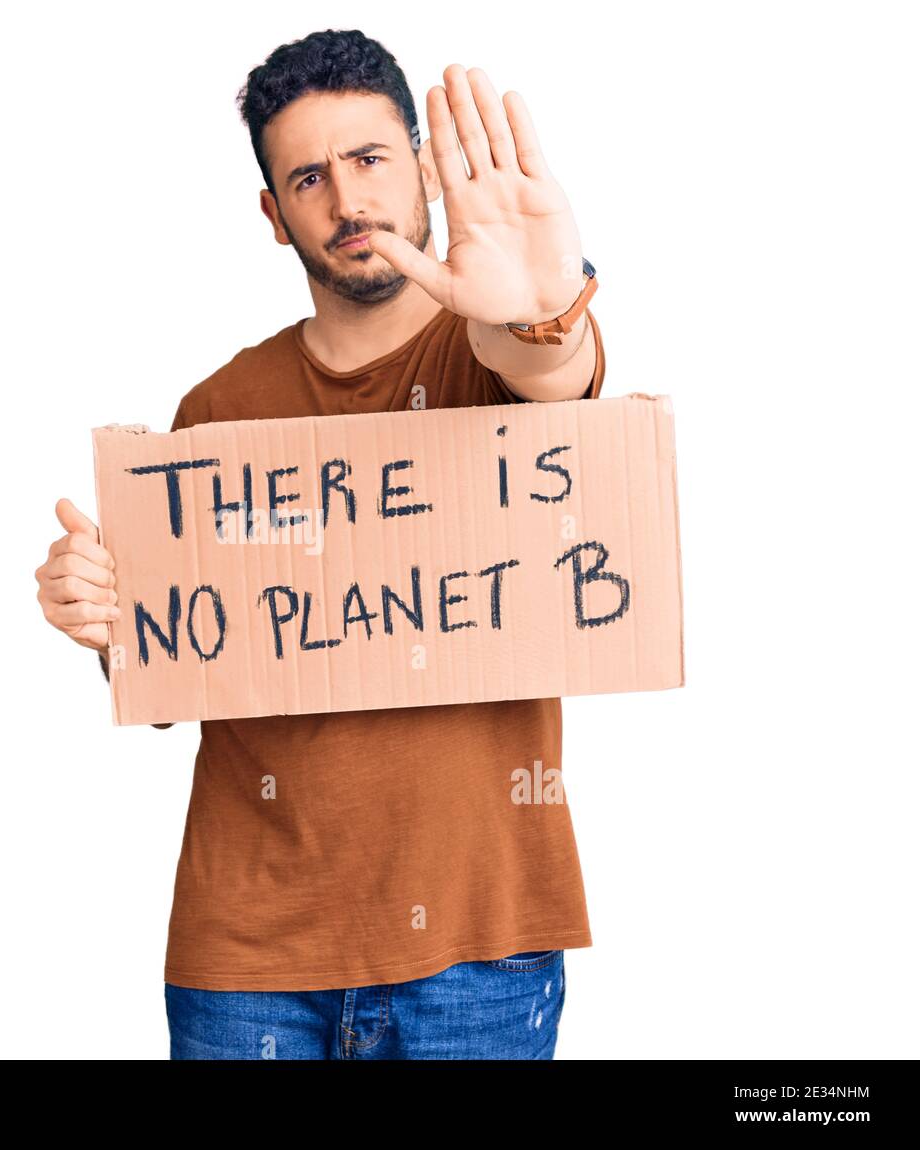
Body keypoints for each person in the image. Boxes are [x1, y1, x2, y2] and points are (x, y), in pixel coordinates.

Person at [36, 29, 606, 1060]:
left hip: (479, 953)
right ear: (273, 214)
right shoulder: (215, 414)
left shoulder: (496, 355)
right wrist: (106, 624)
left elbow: (558, 379)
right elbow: (178, 674)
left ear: (426, 167)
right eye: (309, 175)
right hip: (249, 957)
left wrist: (542, 316)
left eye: (371, 159)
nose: (347, 201)